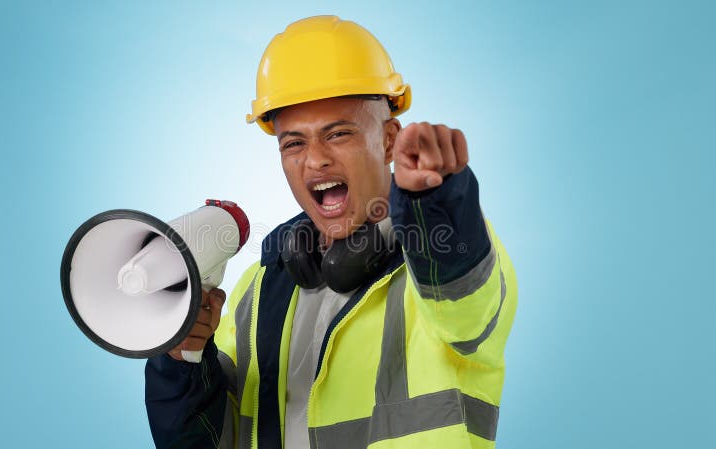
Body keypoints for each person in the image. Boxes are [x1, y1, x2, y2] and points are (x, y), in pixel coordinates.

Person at [145, 15, 517, 449]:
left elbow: (467, 306)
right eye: (294, 143)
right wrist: (185, 359)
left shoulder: (443, 263)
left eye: (338, 134)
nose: (315, 160)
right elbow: (207, 441)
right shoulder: (258, 291)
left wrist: (437, 200)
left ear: (390, 139)